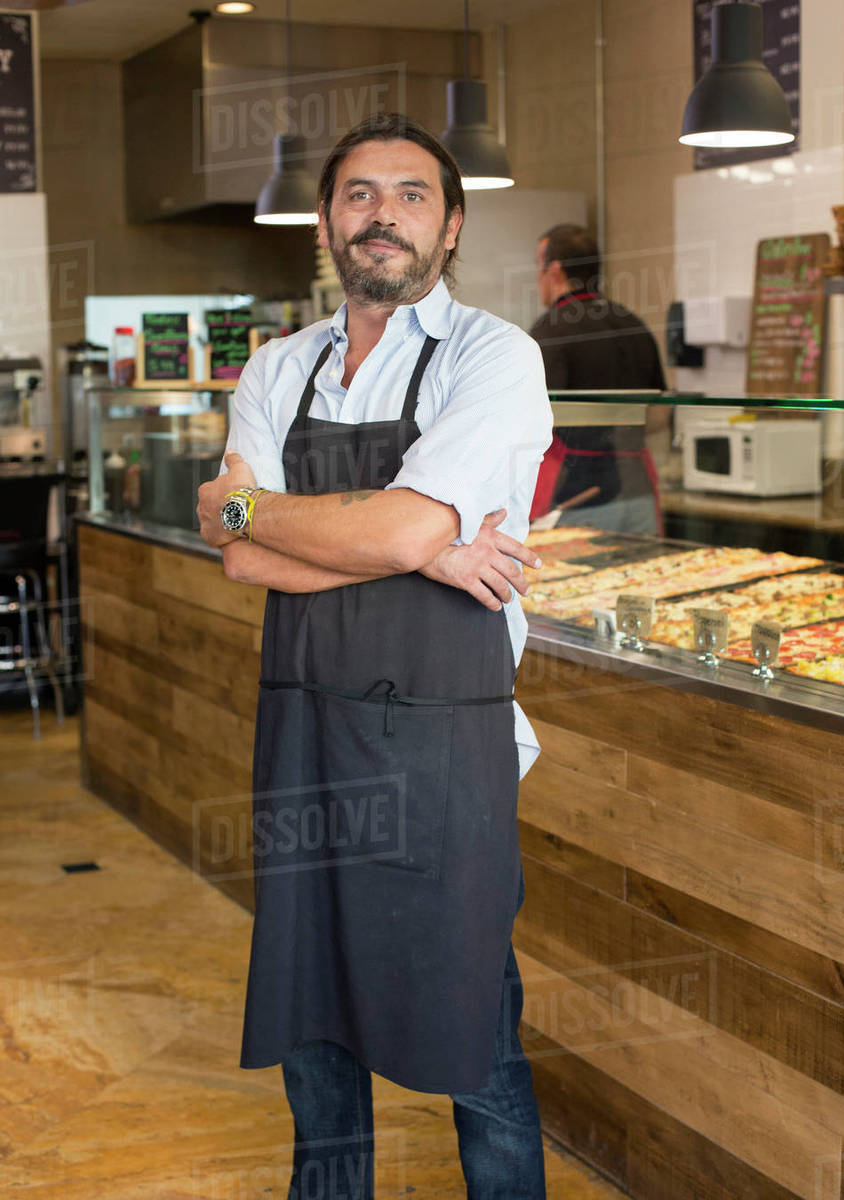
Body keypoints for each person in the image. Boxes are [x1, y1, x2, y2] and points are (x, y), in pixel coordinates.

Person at [197, 112, 553, 1200]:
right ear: (326, 222)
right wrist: (421, 546)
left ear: (448, 228)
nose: (381, 214)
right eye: (359, 194)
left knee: (475, 1040)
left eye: (409, 196)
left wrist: (366, 530)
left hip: (443, 746)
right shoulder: (277, 363)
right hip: (305, 730)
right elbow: (237, 554)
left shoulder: (494, 353)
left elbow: (306, 525)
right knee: (314, 1037)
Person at [529, 223, 669, 535]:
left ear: (554, 270)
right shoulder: (633, 323)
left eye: (538, 267)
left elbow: (533, 421)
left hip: (576, 497)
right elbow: (659, 416)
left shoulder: (549, 330)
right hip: (637, 489)